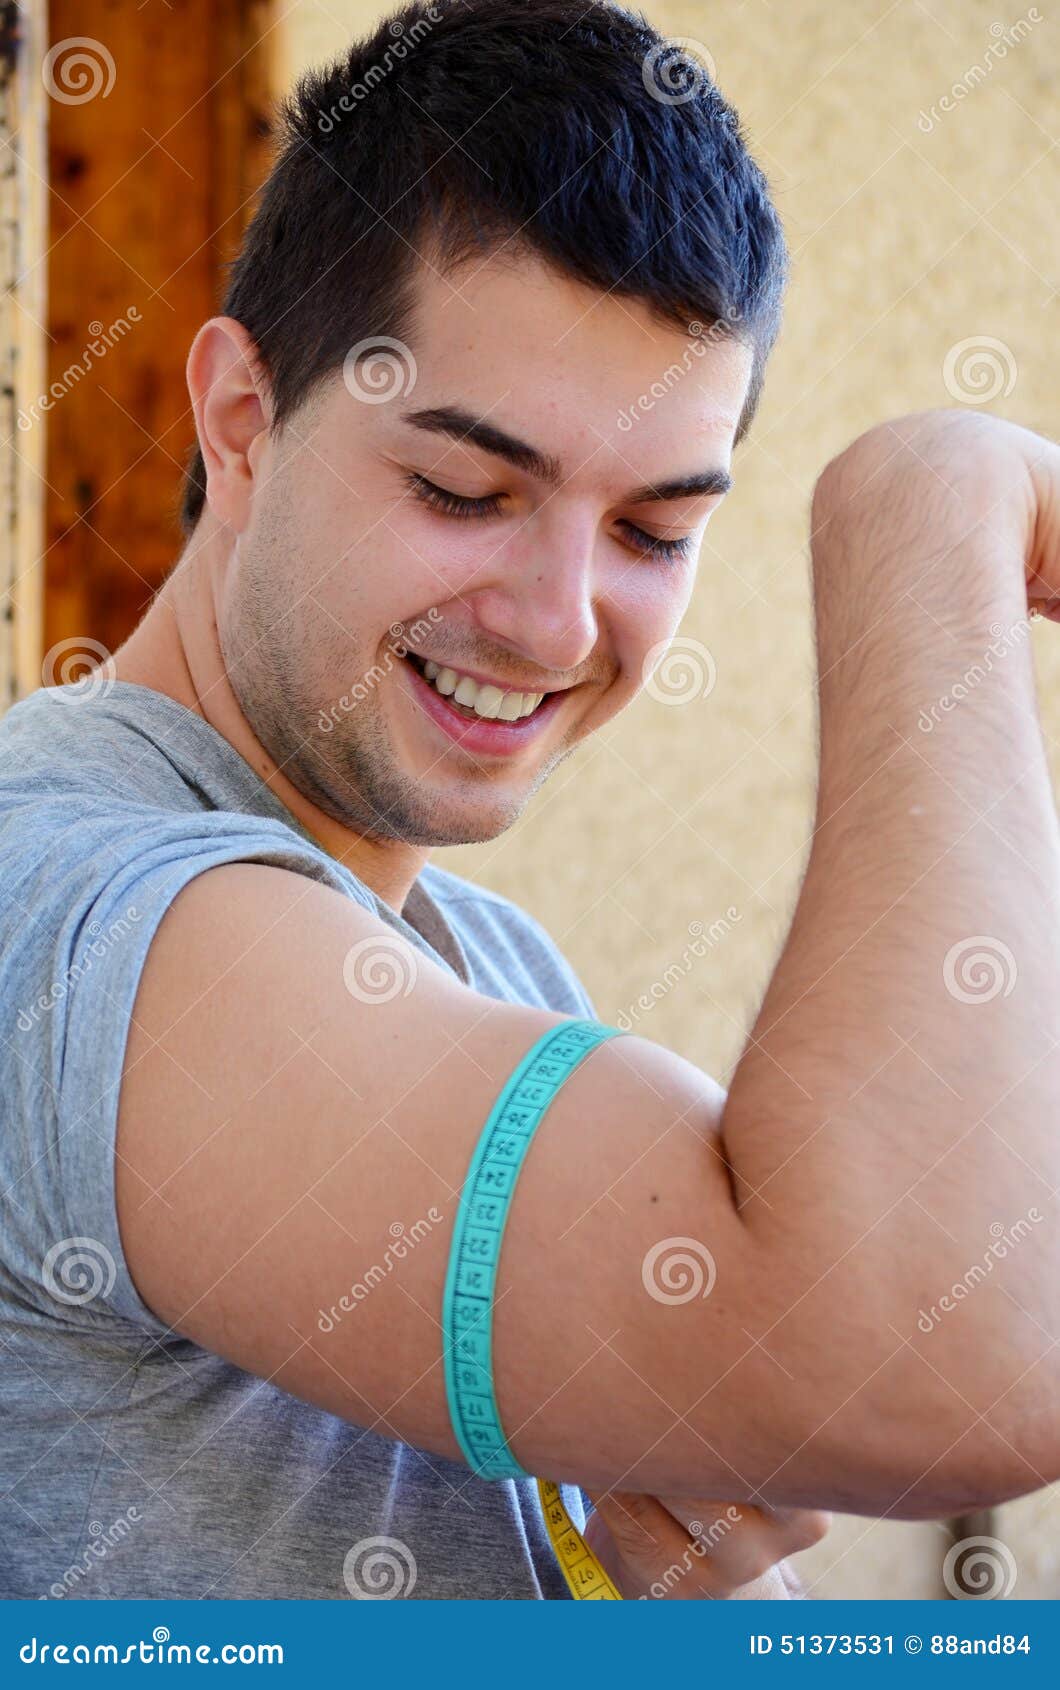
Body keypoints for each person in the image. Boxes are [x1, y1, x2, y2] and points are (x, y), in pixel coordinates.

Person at [1, 0, 1057, 1603]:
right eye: (463, 490)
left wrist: (624, 1576)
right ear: (240, 423)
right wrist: (925, 520)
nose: (559, 622)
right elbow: (950, 1353)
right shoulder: (70, 910)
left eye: (652, 529)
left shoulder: (491, 968)